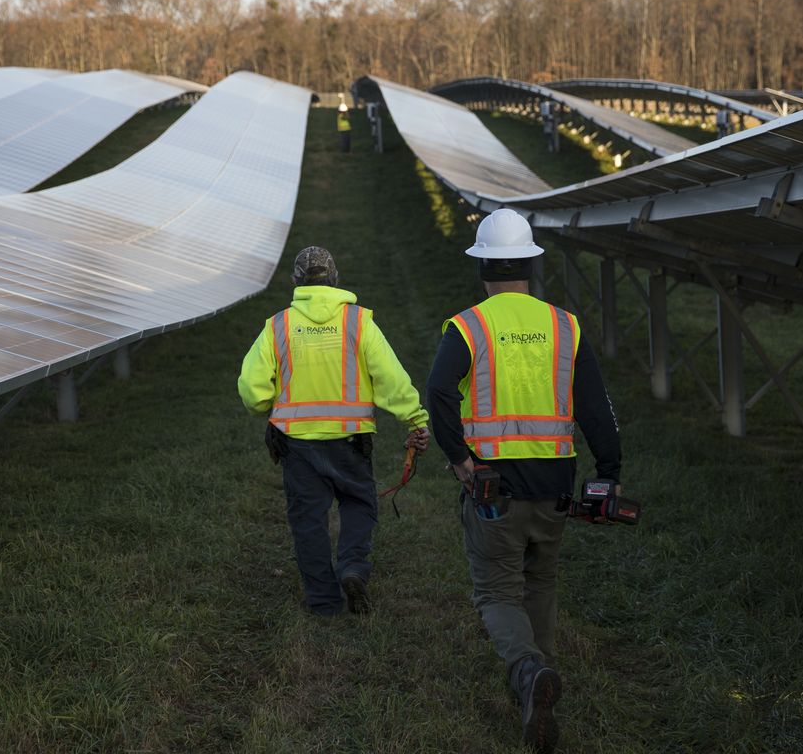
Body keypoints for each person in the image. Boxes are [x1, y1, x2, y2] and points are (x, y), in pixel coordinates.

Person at [426, 209, 622, 753]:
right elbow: (596, 407)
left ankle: (528, 672)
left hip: (493, 485)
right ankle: (539, 681)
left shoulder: (469, 326)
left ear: (482, 267)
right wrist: (610, 472)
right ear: (532, 265)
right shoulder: (565, 325)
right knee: (541, 582)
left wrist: (461, 461)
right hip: (556, 481)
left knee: (495, 591)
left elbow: (439, 392)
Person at [239, 246, 430, 616]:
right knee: (359, 504)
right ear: (335, 279)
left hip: (296, 445)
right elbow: (390, 377)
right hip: (350, 443)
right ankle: (353, 567)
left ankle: (323, 603)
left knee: (308, 522)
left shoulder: (277, 325)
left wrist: (267, 407)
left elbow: (251, 388)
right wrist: (414, 419)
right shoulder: (359, 322)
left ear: (295, 282)